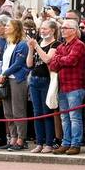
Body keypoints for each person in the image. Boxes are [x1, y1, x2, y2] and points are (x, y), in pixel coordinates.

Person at [47, 17, 85, 155]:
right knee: (64, 117)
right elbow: (52, 64)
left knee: (74, 116)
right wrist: (59, 59)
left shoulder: (79, 45)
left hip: (75, 86)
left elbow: (71, 60)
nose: (62, 30)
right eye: (62, 28)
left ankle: (75, 144)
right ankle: (66, 142)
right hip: (62, 86)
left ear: (74, 30)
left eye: (65, 28)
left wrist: (58, 59)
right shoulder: (60, 46)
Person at [26, 20, 60, 153]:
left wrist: (36, 47)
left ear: (52, 30)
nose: (42, 31)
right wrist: (31, 48)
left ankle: (49, 143)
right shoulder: (38, 43)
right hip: (34, 80)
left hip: (46, 80)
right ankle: (39, 142)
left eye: (45, 29)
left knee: (47, 112)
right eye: (41, 28)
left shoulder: (55, 44)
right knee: (37, 112)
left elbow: (47, 59)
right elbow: (29, 64)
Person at [0, 18, 30, 151]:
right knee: (8, 111)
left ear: (15, 28)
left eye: (8, 25)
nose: (5, 27)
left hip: (16, 79)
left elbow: (18, 64)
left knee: (18, 110)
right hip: (5, 79)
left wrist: (4, 74)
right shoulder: (8, 43)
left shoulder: (22, 44)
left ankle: (21, 139)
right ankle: (12, 137)